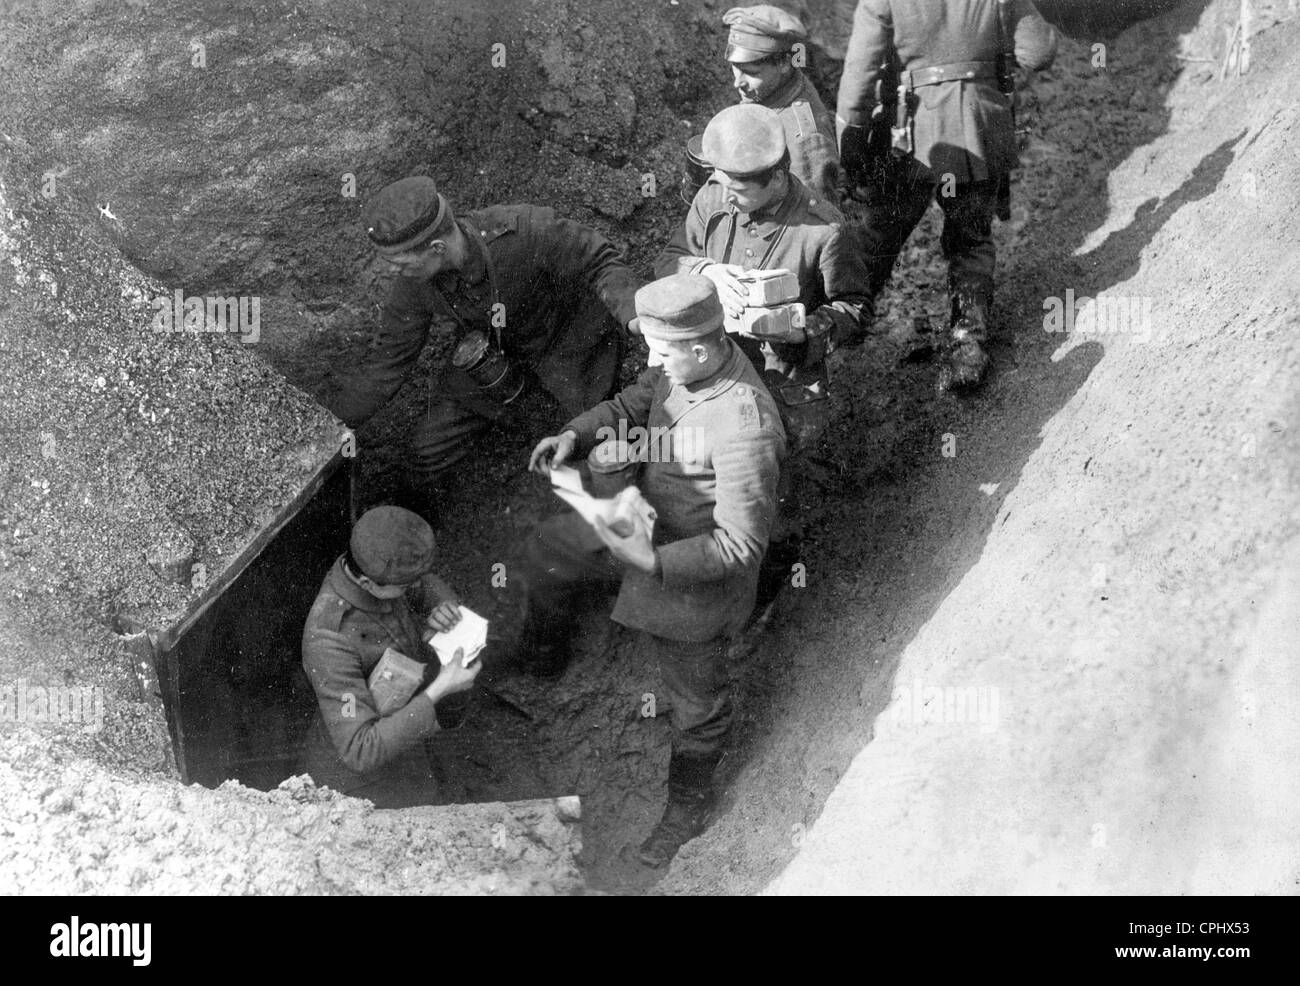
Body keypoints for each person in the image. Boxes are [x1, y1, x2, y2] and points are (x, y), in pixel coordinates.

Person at [521, 274, 786, 868]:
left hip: (693, 581)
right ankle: (543, 657)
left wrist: (655, 562)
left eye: (662, 351)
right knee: (548, 549)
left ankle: (688, 808)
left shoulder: (745, 427)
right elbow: (634, 402)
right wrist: (575, 434)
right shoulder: (682, 363)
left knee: (697, 706)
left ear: (701, 346)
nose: (652, 360)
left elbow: (741, 544)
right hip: (640, 516)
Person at [656, 103, 871, 603]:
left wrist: (801, 328)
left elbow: (855, 311)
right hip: (717, 367)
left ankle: (769, 582)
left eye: (739, 188)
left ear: (775, 177)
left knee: (774, 491)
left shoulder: (823, 231)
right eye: (723, 184)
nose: (727, 196)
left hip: (784, 378)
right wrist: (704, 272)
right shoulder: (714, 200)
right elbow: (669, 257)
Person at [332, 176, 644, 520]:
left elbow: (599, 259)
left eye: (400, 262)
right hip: (494, 358)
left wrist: (634, 315)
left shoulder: (523, 232)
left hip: (569, 346)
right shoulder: (415, 284)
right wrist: (329, 426)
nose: (393, 271)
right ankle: (409, 537)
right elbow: (387, 363)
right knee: (425, 451)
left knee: (585, 449)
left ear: (436, 248)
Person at [836, 0, 1058, 390]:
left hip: (911, 135)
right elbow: (1038, 54)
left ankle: (846, 319)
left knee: (882, 230)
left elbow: (859, 76)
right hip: (979, 125)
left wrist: (851, 145)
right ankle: (968, 342)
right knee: (971, 240)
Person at [299, 506, 480, 807]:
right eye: (405, 587)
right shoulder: (328, 639)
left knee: (429, 784)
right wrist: (439, 690)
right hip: (357, 776)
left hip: (400, 716)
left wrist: (442, 606)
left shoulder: (377, 565)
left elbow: (423, 584)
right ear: (368, 585)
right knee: (421, 807)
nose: (413, 588)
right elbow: (360, 750)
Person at [719, 4, 842, 203]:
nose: (737, 82)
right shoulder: (774, 88)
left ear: (784, 63)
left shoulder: (802, 139)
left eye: (751, 73)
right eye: (735, 68)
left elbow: (813, 218)